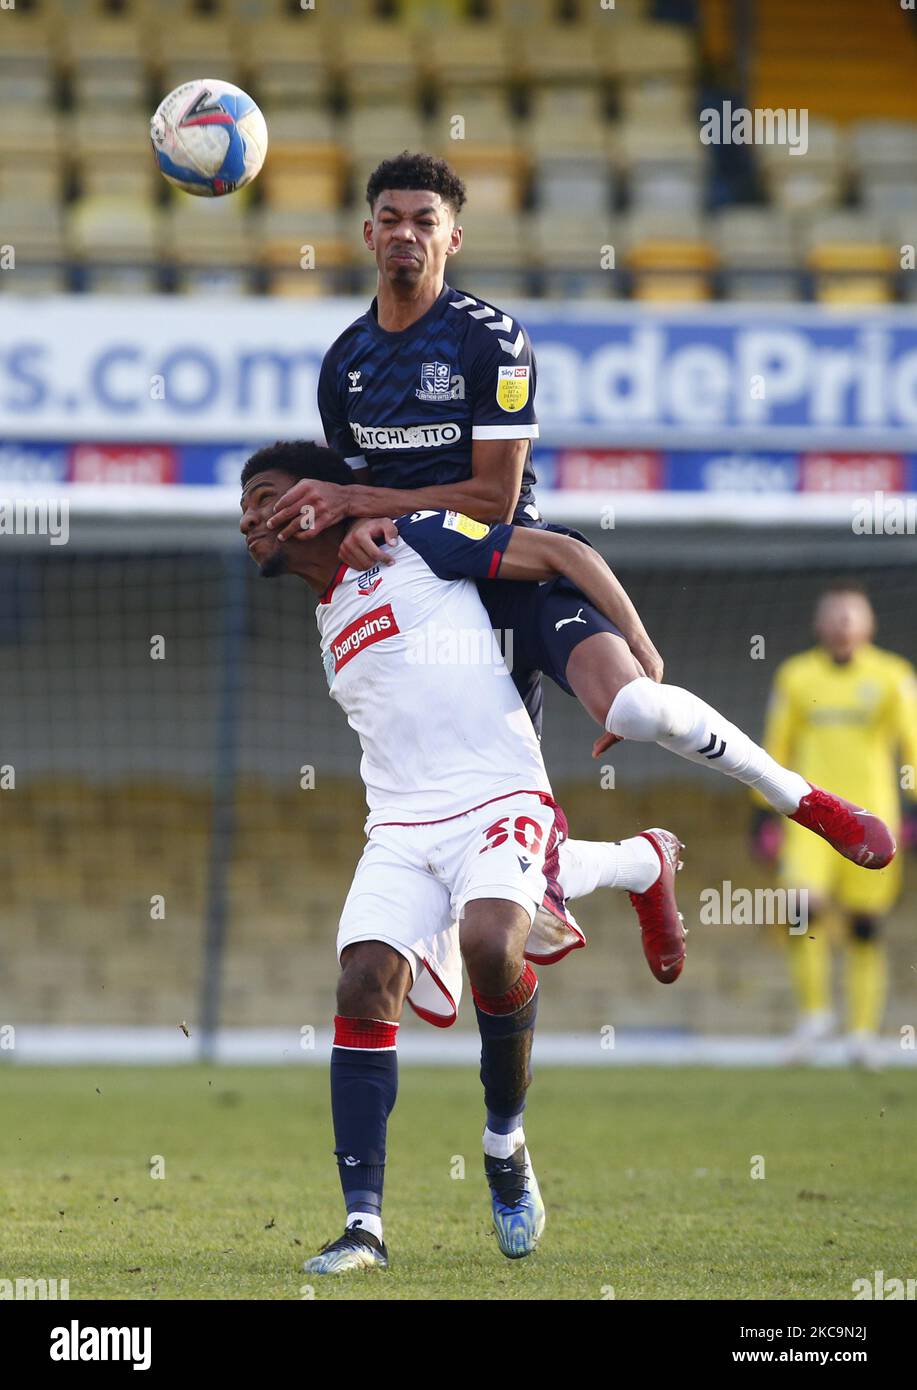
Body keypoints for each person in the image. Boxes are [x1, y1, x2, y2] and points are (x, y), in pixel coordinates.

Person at [265, 151, 896, 875]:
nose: (406, 232)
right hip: (425, 599)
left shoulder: (489, 339)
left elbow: (492, 501)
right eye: (390, 220)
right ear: (368, 235)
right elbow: (353, 494)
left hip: (512, 564)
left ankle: (804, 800)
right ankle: (640, 868)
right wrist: (354, 518)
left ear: (452, 239)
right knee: (500, 856)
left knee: (635, 709)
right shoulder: (344, 361)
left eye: (424, 221)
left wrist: (365, 503)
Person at [240, 440, 688, 1272]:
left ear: (312, 497)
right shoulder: (329, 610)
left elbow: (557, 549)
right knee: (361, 978)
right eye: (241, 507)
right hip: (400, 826)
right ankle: (363, 1229)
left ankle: (504, 1145)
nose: (246, 519)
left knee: (490, 941)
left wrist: (636, 644)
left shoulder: (411, 541)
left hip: (499, 797)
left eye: (262, 497)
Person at [751, 584, 917, 1068]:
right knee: (801, 909)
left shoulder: (893, 676)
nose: (844, 624)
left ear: (869, 624)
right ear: (819, 625)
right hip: (811, 816)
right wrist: (761, 809)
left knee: (866, 925)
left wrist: (912, 805)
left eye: (853, 615)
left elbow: (912, 742)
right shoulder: (796, 676)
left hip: (874, 815)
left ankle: (863, 1033)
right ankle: (815, 1015)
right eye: (835, 615)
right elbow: (776, 744)